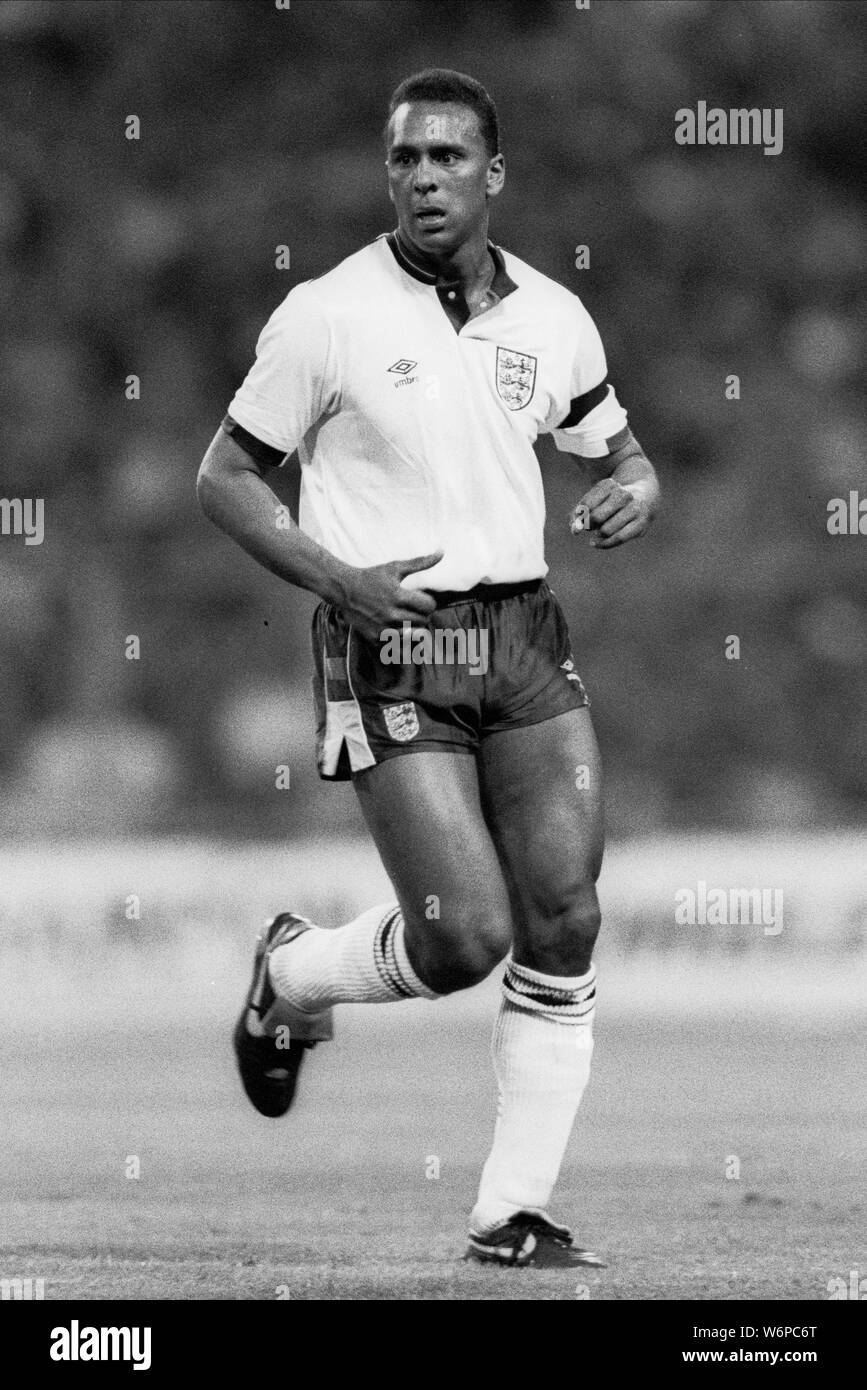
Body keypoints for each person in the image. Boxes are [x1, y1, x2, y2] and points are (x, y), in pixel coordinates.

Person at [197, 67, 659, 1269]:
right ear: (386, 174)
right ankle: (293, 970)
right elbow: (225, 477)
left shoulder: (555, 316)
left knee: (565, 914)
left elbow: (618, 448)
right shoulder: (328, 313)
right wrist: (334, 577)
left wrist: (633, 489)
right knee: (462, 939)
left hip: (521, 635)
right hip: (391, 633)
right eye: (406, 159)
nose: (425, 178)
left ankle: (510, 1213)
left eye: (449, 158)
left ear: (494, 174)